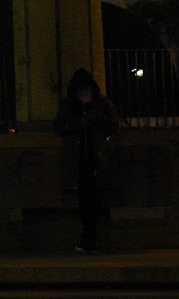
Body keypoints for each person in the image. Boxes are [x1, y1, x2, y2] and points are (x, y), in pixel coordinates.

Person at [53, 68, 119, 253]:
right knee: (86, 201)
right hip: (80, 162)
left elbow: (113, 125)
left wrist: (96, 118)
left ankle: (89, 239)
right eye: (80, 89)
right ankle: (90, 239)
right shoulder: (69, 106)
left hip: (96, 160)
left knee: (95, 200)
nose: (84, 92)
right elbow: (58, 126)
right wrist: (77, 123)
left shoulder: (101, 104)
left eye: (86, 88)